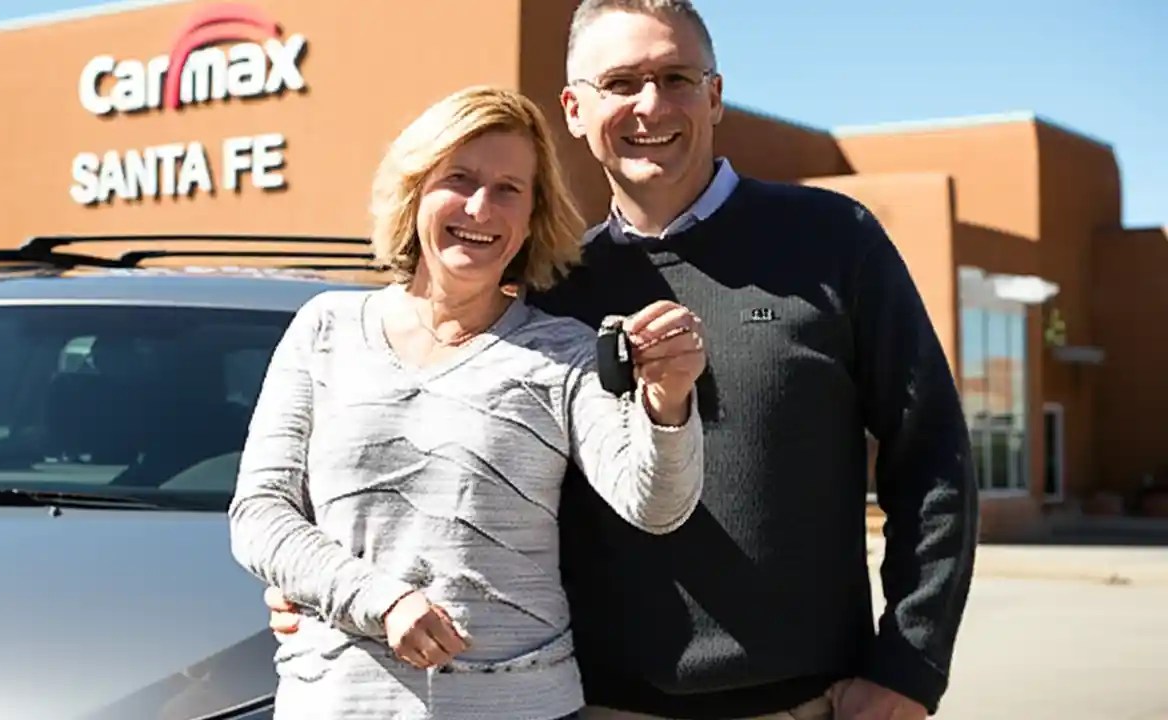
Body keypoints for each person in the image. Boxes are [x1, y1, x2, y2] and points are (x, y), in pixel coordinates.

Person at [265, 1, 979, 719]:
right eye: (621, 82)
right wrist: (319, 590)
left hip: (801, 702)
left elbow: (933, 457)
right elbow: (448, 472)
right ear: (575, 109)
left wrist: (909, 666)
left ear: (716, 95)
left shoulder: (831, 242)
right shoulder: (545, 287)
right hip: (592, 702)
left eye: (676, 77)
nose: (650, 105)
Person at [227, 84, 708, 720]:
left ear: (534, 215)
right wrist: (379, 600)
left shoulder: (561, 349)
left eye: (510, 188)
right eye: (459, 178)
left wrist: (667, 403)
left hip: (520, 702)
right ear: (415, 190)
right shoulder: (326, 329)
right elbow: (259, 514)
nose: (481, 208)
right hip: (337, 701)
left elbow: (656, 507)